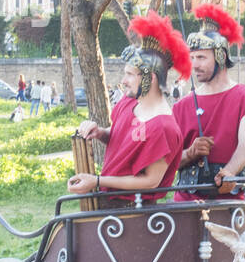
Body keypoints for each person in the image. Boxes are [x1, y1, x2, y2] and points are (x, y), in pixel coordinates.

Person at [69, 12, 187, 204]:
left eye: (130, 74)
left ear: (150, 78)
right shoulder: (129, 101)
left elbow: (151, 181)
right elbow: (122, 136)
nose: (123, 81)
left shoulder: (163, 127)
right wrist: (100, 132)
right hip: (108, 203)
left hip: (132, 212)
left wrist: (97, 181)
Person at [173, 4, 245, 202]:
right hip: (185, 202)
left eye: (201, 57)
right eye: (192, 58)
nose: (194, 65)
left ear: (221, 56)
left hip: (230, 201)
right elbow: (167, 162)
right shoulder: (181, 107)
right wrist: (190, 153)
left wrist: (229, 171)